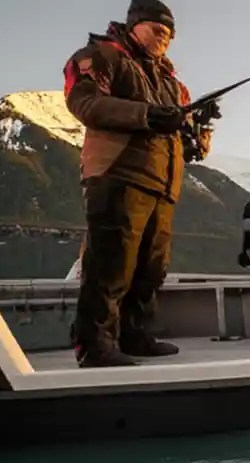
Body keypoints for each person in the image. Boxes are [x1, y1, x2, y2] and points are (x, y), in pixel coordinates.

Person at [62, 0, 212, 367]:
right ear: (134, 25)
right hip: (117, 175)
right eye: (157, 30)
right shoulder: (100, 56)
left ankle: (134, 335)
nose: (164, 39)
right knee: (112, 264)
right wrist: (145, 114)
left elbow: (183, 143)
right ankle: (93, 346)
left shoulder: (173, 84)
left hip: (161, 185)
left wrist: (201, 131)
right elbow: (84, 104)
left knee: (151, 267)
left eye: (169, 35)